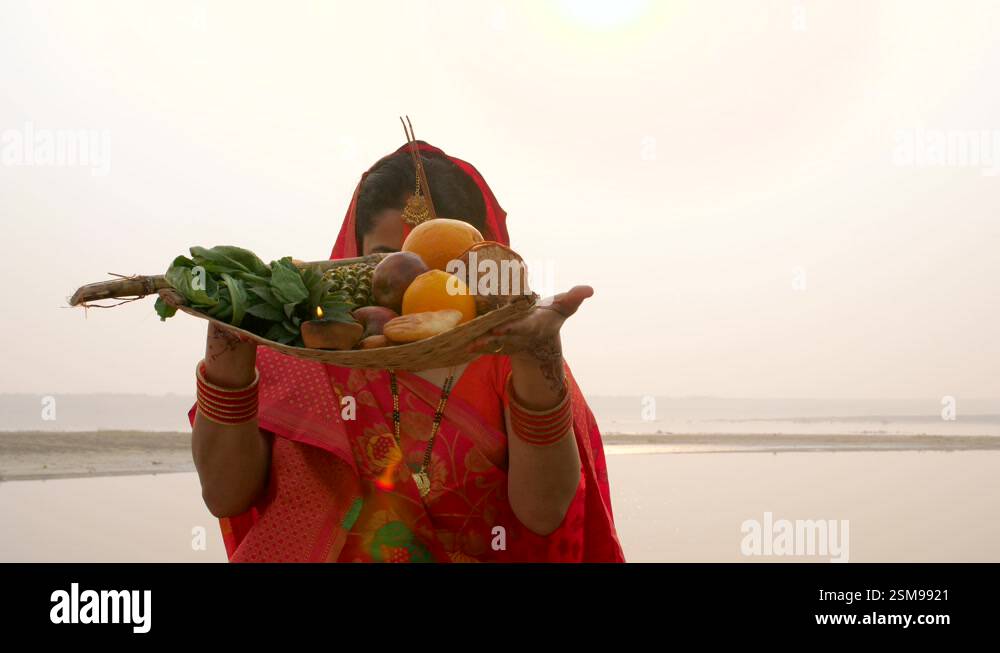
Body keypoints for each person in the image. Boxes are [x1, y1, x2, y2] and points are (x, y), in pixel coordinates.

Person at [187, 141, 625, 562]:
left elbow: (544, 514)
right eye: (387, 260)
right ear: (352, 256)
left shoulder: (514, 354)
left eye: (438, 266)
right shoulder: (300, 356)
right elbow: (225, 494)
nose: (412, 283)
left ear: (479, 264)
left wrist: (539, 357)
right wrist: (229, 343)